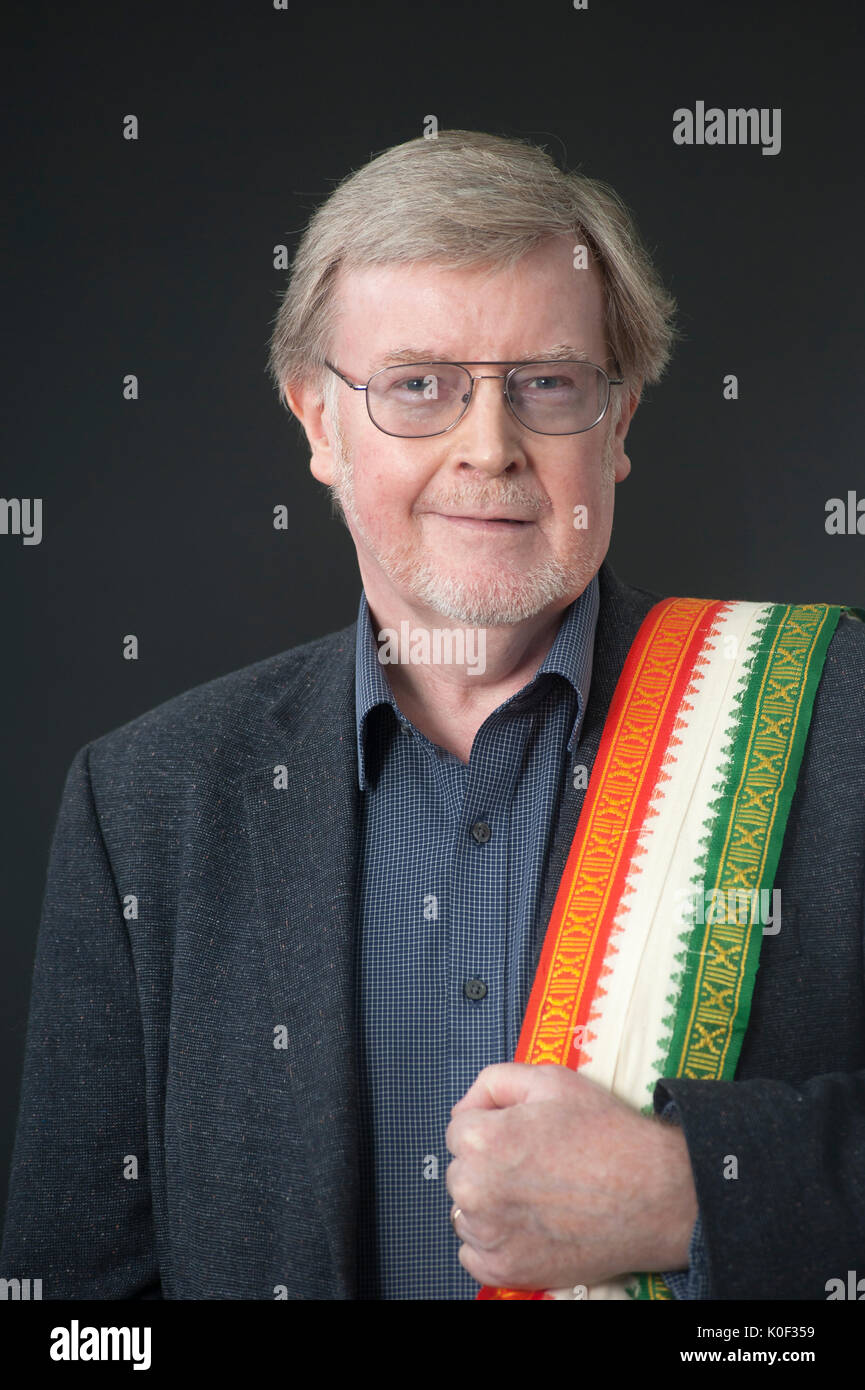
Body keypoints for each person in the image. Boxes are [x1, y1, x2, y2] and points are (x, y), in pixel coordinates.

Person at [2, 129, 863, 1301]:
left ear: (618, 424)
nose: (489, 448)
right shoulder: (144, 805)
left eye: (546, 385)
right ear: (317, 423)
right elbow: (72, 1317)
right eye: (419, 386)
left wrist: (688, 1190)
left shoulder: (836, 719)